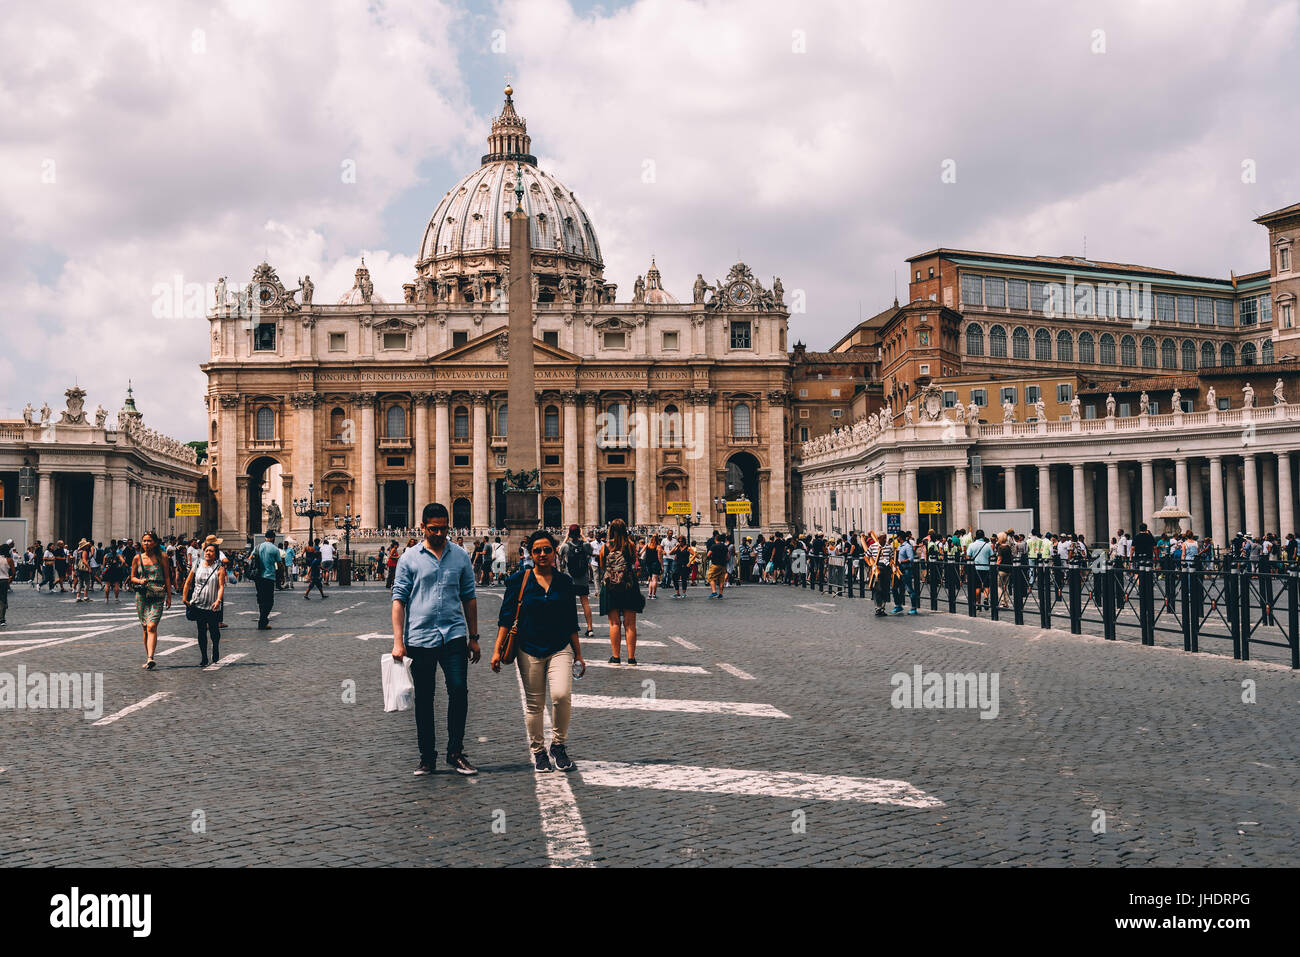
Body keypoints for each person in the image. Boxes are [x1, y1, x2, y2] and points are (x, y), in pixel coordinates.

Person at [391, 503, 480, 777]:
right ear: (422, 527)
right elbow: (399, 600)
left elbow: (469, 597)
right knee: (425, 699)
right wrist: (398, 641)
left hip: (453, 633)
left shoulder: (461, 556)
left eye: (444, 528)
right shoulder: (408, 558)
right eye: (434, 529)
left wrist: (473, 637)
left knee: (458, 691)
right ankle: (427, 757)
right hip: (420, 635)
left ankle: (455, 752)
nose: (440, 533)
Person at [492, 529, 585, 773]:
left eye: (547, 550)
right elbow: (506, 618)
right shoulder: (518, 581)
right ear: (530, 553)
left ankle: (559, 745)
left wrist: (579, 653)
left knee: (561, 695)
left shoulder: (564, 582)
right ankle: (538, 751)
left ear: (554, 551)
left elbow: (571, 620)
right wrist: (496, 651)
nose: (542, 554)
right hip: (528, 647)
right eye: (537, 550)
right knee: (534, 704)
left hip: (559, 646)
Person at [598, 518, 645, 664]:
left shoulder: (605, 547)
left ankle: (616, 656)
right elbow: (634, 562)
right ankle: (631, 658)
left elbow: (602, 566)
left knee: (614, 623)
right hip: (628, 585)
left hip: (611, 586)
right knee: (630, 624)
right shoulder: (631, 546)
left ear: (610, 530)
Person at [128, 531, 173, 670]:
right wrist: (140, 581)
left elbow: (167, 577)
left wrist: (169, 596)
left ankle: (150, 657)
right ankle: (148, 656)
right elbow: (132, 577)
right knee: (144, 627)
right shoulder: (137, 558)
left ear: (155, 543)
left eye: (149, 541)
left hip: (158, 594)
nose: (147, 543)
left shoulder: (163, 557)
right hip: (142, 595)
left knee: (151, 626)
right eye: (144, 541)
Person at [182, 541, 226, 667]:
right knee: (201, 631)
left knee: (214, 631)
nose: (208, 553)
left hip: (212, 605)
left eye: (211, 551)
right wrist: (184, 598)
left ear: (216, 554)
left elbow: (221, 586)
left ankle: (215, 648)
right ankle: (204, 657)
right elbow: (188, 582)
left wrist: (218, 600)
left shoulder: (219, 568)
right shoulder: (197, 565)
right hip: (199, 604)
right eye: (206, 550)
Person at [558, 524, 595, 636]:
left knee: (570, 603)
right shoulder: (585, 545)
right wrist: (583, 536)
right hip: (583, 577)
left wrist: (566, 537)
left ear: (569, 533)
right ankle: (590, 628)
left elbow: (559, 552)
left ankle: (570, 626)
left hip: (570, 578)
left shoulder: (566, 546)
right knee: (585, 603)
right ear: (579, 533)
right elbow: (591, 550)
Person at [251, 530, 283, 629]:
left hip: (258, 577)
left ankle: (263, 621)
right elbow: (279, 564)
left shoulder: (258, 547)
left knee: (261, 599)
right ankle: (263, 621)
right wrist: (281, 576)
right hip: (269, 577)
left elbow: (250, 558)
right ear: (273, 538)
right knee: (269, 601)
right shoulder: (275, 549)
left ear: (265, 537)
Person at [705, 532, 730, 599]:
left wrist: (711, 557)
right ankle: (721, 594)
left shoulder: (714, 546)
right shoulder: (725, 546)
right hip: (723, 565)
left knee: (710, 577)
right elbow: (728, 556)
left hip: (715, 564)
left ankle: (714, 592)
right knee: (721, 580)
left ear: (715, 539)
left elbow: (708, 554)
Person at [0, 542, 13, 626]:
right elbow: (13, 572)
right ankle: (2, 619)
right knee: (3, 599)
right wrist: (10, 579)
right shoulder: (9, 560)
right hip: (4, 580)